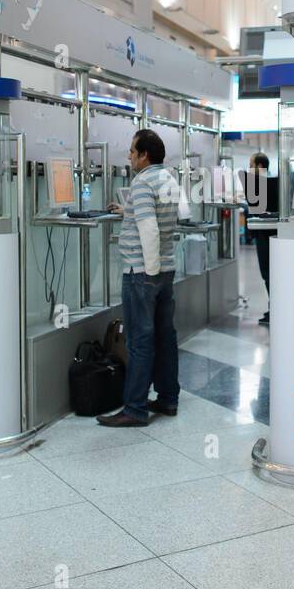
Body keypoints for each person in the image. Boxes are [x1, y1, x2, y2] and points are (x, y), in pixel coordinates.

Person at [98, 129, 180, 427]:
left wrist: (149, 273)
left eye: (132, 151)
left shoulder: (142, 182)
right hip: (166, 270)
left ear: (144, 155)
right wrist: (128, 211)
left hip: (142, 272)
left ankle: (134, 408)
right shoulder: (168, 178)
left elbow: (148, 229)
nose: (130, 156)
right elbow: (156, 217)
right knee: (165, 337)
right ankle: (168, 398)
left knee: (139, 341)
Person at [240, 153, 279, 325]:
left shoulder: (261, 184)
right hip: (269, 233)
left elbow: (256, 207)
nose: (249, 168)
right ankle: (275, 309)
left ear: (260, 166)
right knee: (270, 274)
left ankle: (275, 311)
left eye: (251, 164)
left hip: (265, 234)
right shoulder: (272, 183)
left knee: (268, 273)